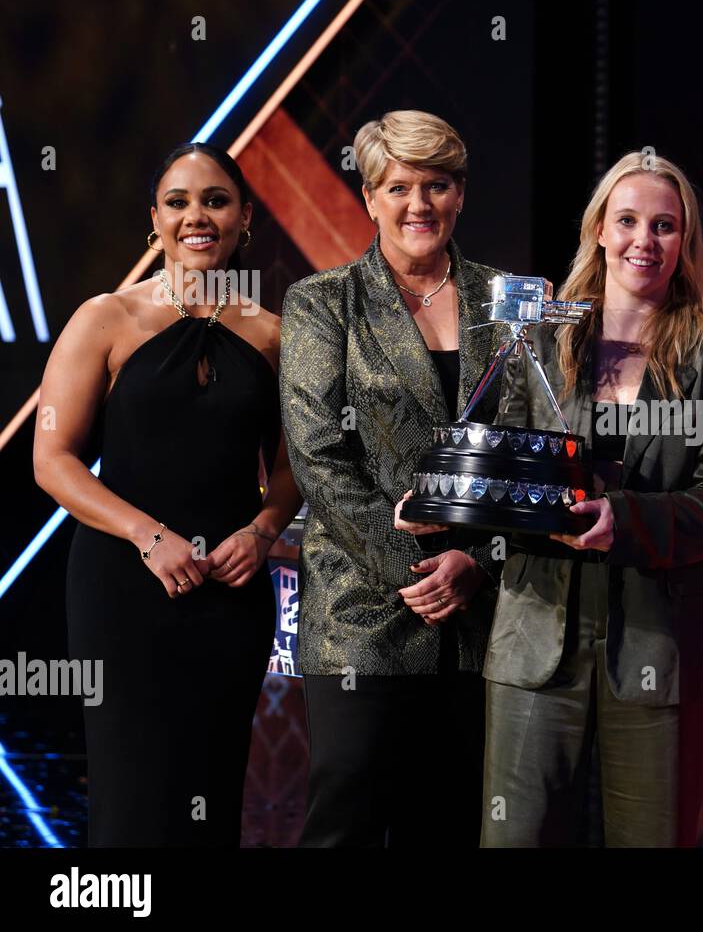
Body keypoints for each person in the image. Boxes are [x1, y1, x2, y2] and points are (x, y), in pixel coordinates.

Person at [403, 150, 703, 847]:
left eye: (664, 226)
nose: (643, 241)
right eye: (627, 220)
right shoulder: (545, 342)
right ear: (600, 229)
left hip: (658, 647)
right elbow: (509, 471)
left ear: (684, 242)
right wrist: (460, 528)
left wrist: (622, 518)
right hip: (534, 637)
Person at [33, 142, 299, 846]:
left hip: (229, 595)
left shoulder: (274, 335)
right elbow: (53, 460)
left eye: (215, 200)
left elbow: (294, 466)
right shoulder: (106, 318)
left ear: (244, 219)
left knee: (212, 787)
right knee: (130, 799)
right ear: (154, 220)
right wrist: (148, 537)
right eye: (178, 201)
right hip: (122, 590)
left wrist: (264, 529)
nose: (196, 215)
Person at [279, 111, 503, 847]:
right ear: (369, 196)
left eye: (436, 184)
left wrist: (475, 562)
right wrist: (419, 569)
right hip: (361, 616)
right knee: (344, 819)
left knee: (449, 824)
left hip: (479, 615)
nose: (419, 204)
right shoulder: (322, 301)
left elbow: (534, 445)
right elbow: (317, 457)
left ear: (461, 194)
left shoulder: (507, 299)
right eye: (398, 186)